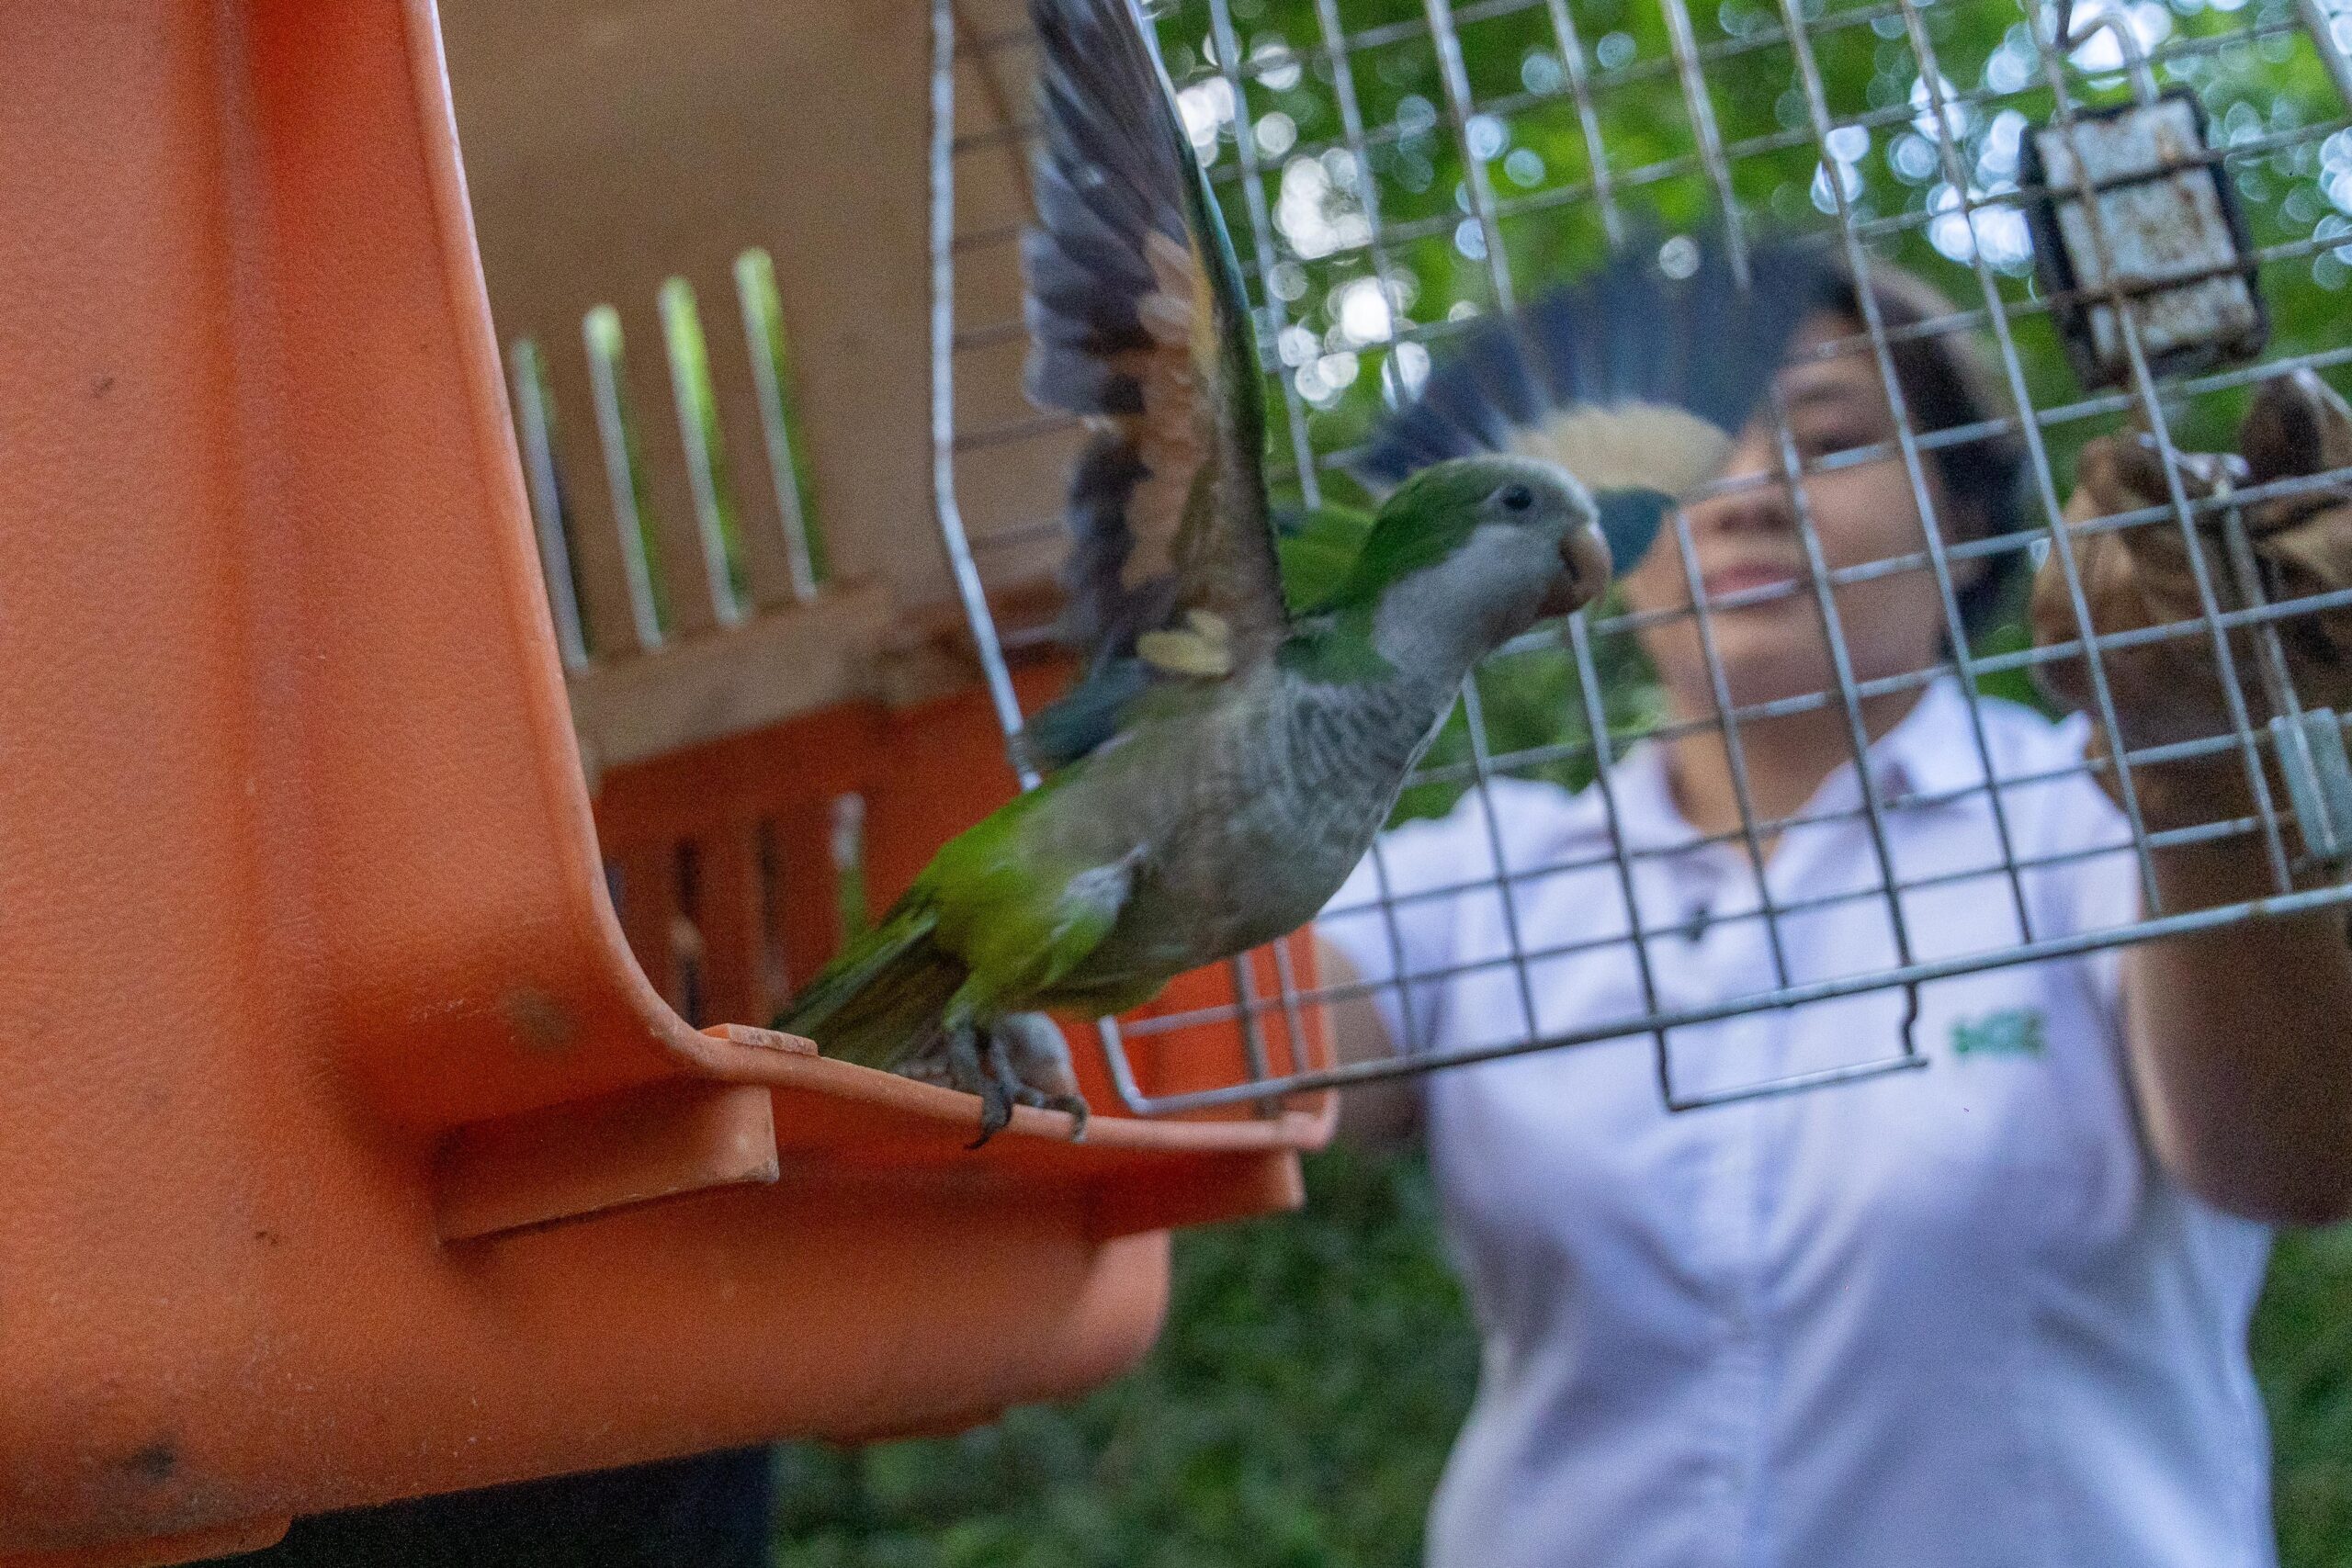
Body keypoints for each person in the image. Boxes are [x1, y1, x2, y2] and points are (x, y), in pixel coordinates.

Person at [1313, 257, 2352, 1568]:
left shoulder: (2086, 827)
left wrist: (2194, 759)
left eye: (1833, 439)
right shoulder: (1486, 878)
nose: (1747, 491)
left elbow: (2297, 1158)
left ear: (1968, 517)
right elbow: (1212, 1049)